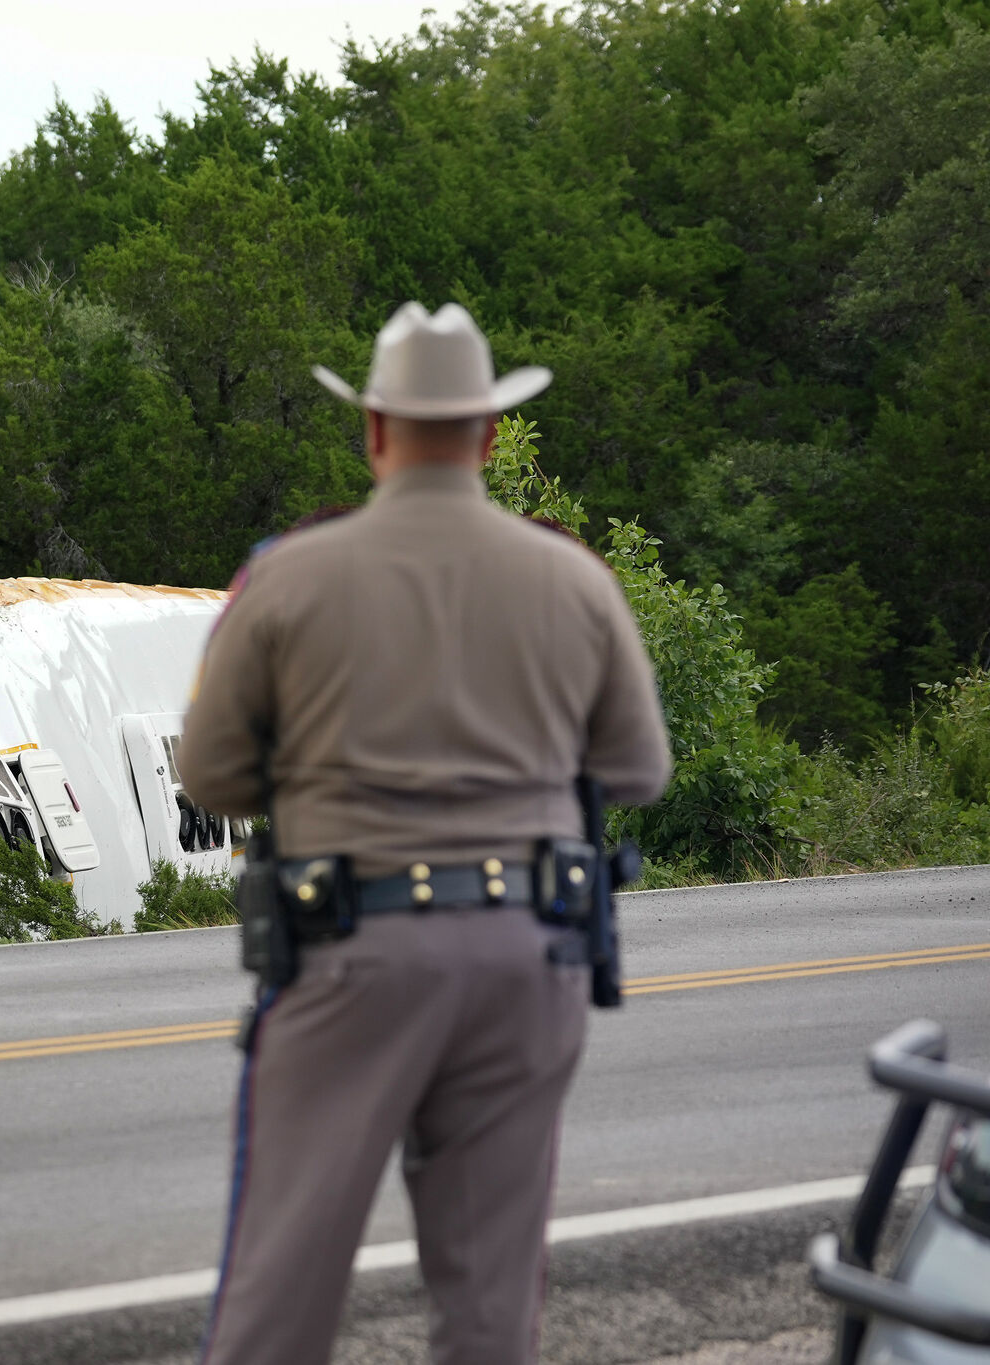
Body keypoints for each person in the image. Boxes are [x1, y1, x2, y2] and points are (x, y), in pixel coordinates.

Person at [178, 301, 672, 1365]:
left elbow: (211, 777)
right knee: (490, 1302)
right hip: (526, 952)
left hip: (349, 949)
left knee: (283, 1279)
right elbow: (639, 769)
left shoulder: (286, 576)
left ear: (372, 430)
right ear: (489, 435)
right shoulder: (572, 577)